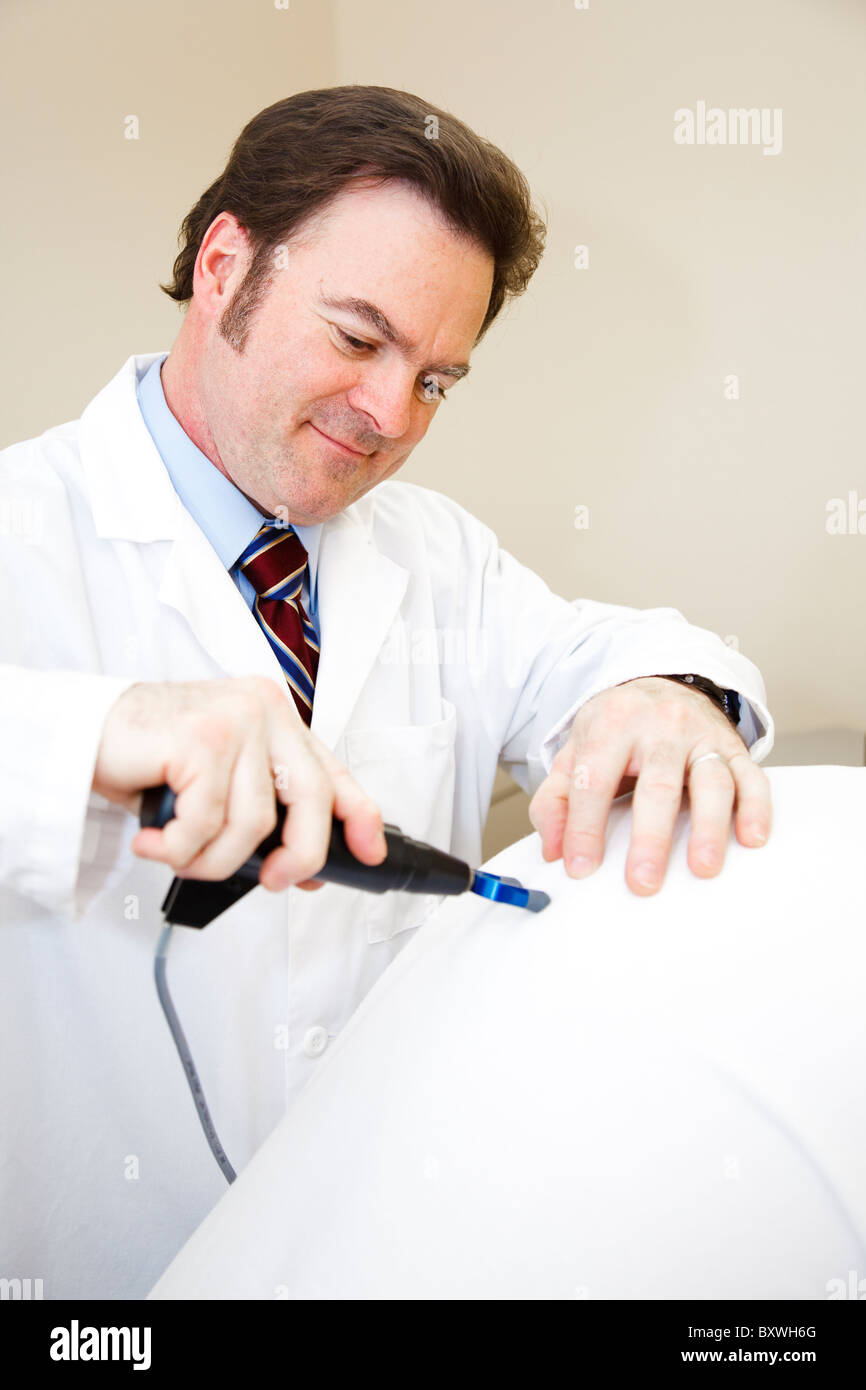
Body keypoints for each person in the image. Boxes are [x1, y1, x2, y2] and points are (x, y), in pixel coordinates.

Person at [0, 85, 772, 1298]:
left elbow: (598, 654)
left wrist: (663, 693)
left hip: (387, 1251)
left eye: (436, 379)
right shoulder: (24, 530)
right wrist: (94, 730)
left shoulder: (435, 554)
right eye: (358, 338)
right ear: (223, 264)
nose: (388, 415)